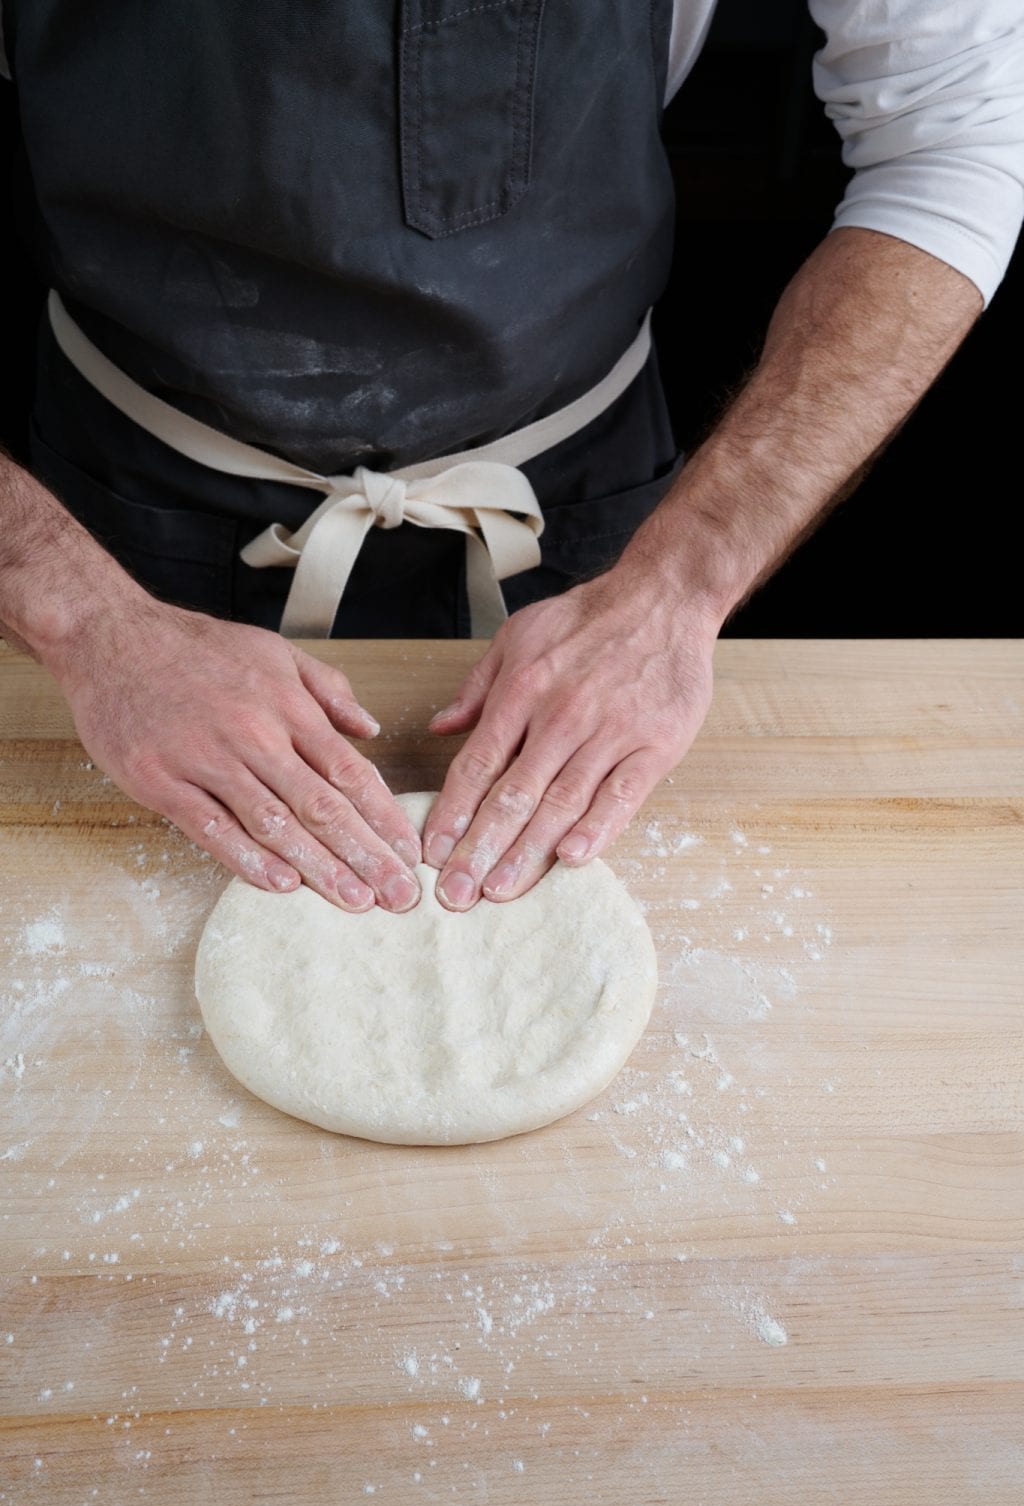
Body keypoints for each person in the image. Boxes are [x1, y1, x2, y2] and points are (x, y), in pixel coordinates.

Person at [0, 2, 1021, 919]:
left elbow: (959, 136)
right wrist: (81, 614)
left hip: (585, 522)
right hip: (113, 518)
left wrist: (678, 586)